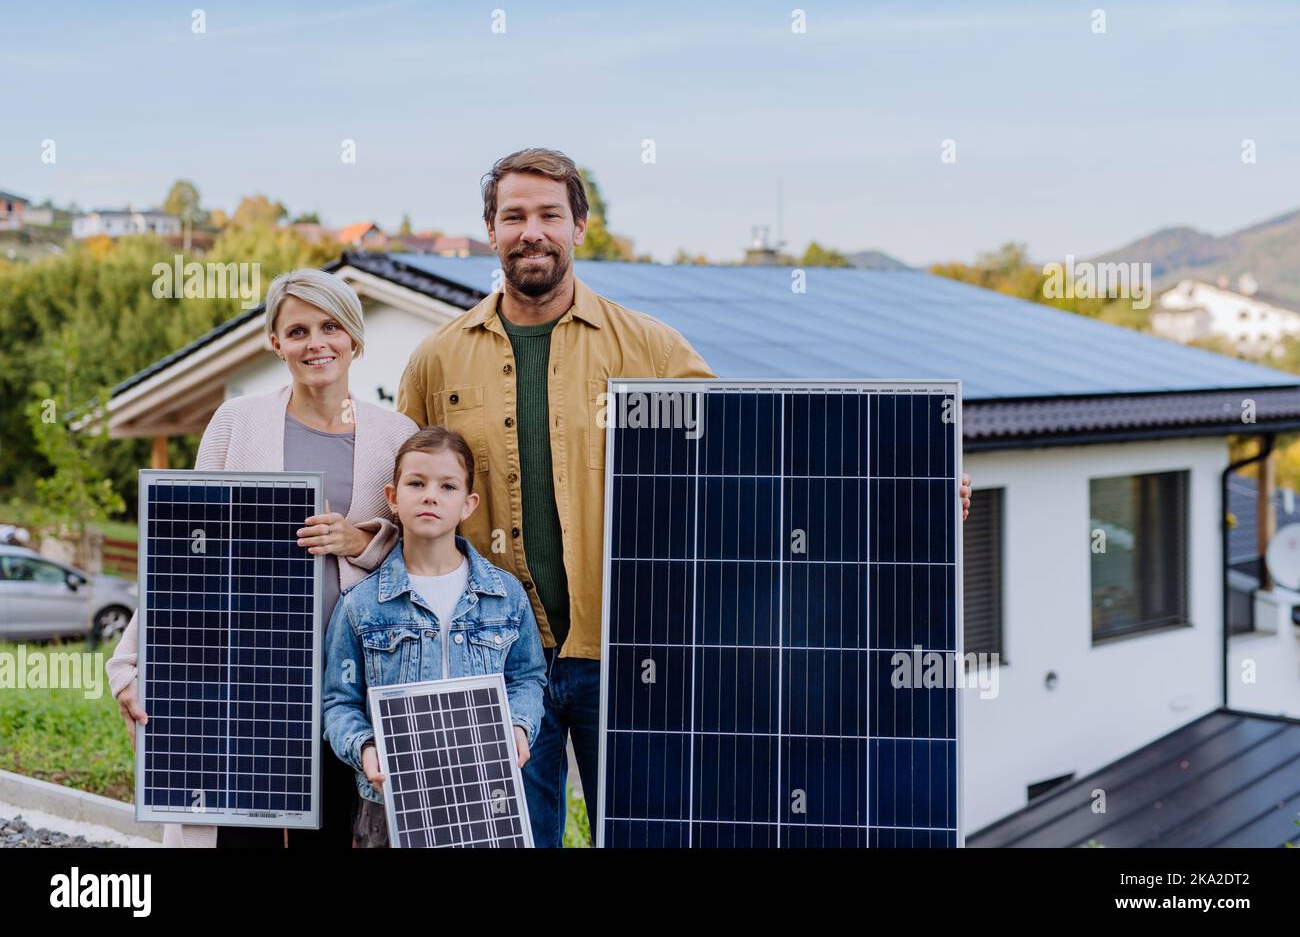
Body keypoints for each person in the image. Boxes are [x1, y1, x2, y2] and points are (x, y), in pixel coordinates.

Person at [397, 147, 975, 846]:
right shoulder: (436, 359)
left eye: (550, 214)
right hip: (487, 655)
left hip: (630, 653)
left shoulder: (653, 350)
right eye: (513, 216)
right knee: (501, 841)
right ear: (490, 232)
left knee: (651, 833)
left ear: (580, 226)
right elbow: (400, 486)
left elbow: (748, 466)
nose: (533, 232)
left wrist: (909, 492)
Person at [106, 268, 419, 848]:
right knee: (237, 828)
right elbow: (185, 552)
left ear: (354, 338)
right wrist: (132, 664)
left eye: (331, 327)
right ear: (275, 342)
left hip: (347, 679)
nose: (316, 343)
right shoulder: (238, 420)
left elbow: (426, 552)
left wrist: (363, 542)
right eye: (297, 330)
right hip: (245, 667)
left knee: (330, 829)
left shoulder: (396, 435)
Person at [321, 427, 546, 847]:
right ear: (393, 497)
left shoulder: (506, 596)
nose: (430, 496)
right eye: (416, 483)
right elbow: (338, 701)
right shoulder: (360, 605)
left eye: (448, 486)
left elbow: (528, 679)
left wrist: (517, 727)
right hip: (387, 803)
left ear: (468, 504)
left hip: (484, 791)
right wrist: (365, 748)